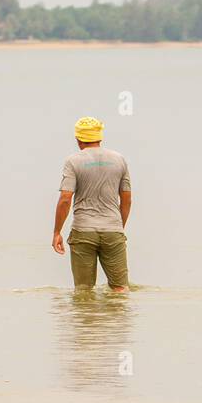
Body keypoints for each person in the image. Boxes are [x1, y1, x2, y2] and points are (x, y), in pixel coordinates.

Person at [52, 117, 131, 292]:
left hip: (83, 231)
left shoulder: (73, 161)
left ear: (78, 139)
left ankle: (87, 318)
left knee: (83, 291)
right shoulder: (119, 160)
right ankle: (117, 320)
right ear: (100, 138)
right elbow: (126, 198)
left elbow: (66, 198)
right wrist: (118, 226)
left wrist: (57, 232)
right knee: (120, 289)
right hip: (113, 230)